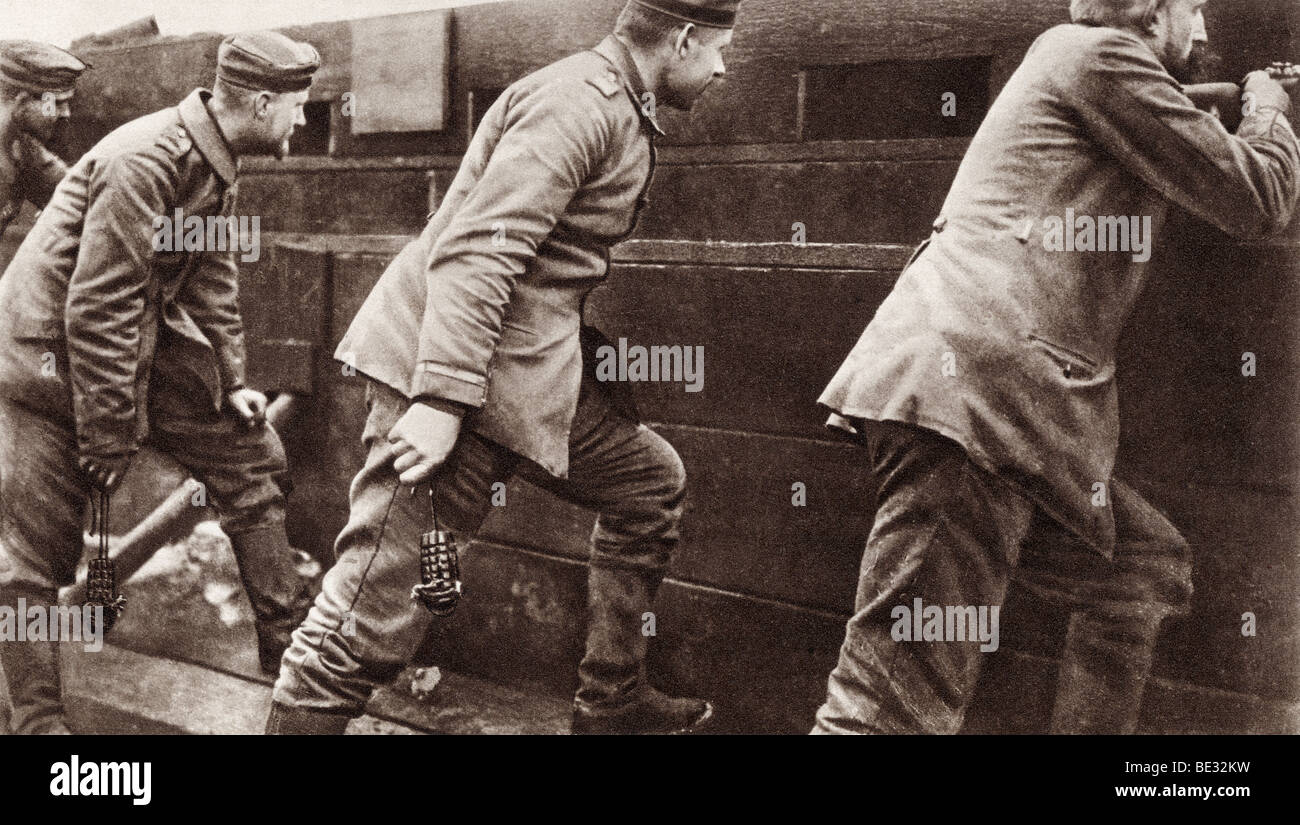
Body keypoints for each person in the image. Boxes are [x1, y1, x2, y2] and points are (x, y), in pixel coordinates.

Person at [813, 0, 1299, 734]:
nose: (1201, 33)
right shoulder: (1098, 56)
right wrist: (1267, 106)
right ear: (1150, 12)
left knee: (1137, 573)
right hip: (975, 408)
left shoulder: (1086, 67)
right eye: (1192, 8)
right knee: (889, 707)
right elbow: (1258, 196)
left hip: (1011, 417)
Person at [267, 0, 738, 735]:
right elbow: (479, 250)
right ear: (680, 39)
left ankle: (610, 701)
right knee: (363, 623)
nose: (721, 67)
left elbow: (543, 268)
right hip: (451, 375)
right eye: (717, 49)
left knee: (648, 484)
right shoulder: (578, 104)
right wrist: (442, 400)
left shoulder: (613, 103)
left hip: (520, 375)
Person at [0, 31, 322, 734]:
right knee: (28, 556)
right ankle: (37, 723)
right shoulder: (146, 158)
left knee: (251, 453)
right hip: (47, 360)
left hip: (129, 345)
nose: (301, 121)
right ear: (262, 103)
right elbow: (97, 305)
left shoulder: (211, 153)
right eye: (297, 107)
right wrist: (108, 436)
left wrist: (234, 378)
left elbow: (209, 270)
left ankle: (294, 661)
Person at [0, 40, 88, 240]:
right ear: (22, 101)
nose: (66, 113)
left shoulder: (21, 149)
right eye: (56, 103)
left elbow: (75, 196)